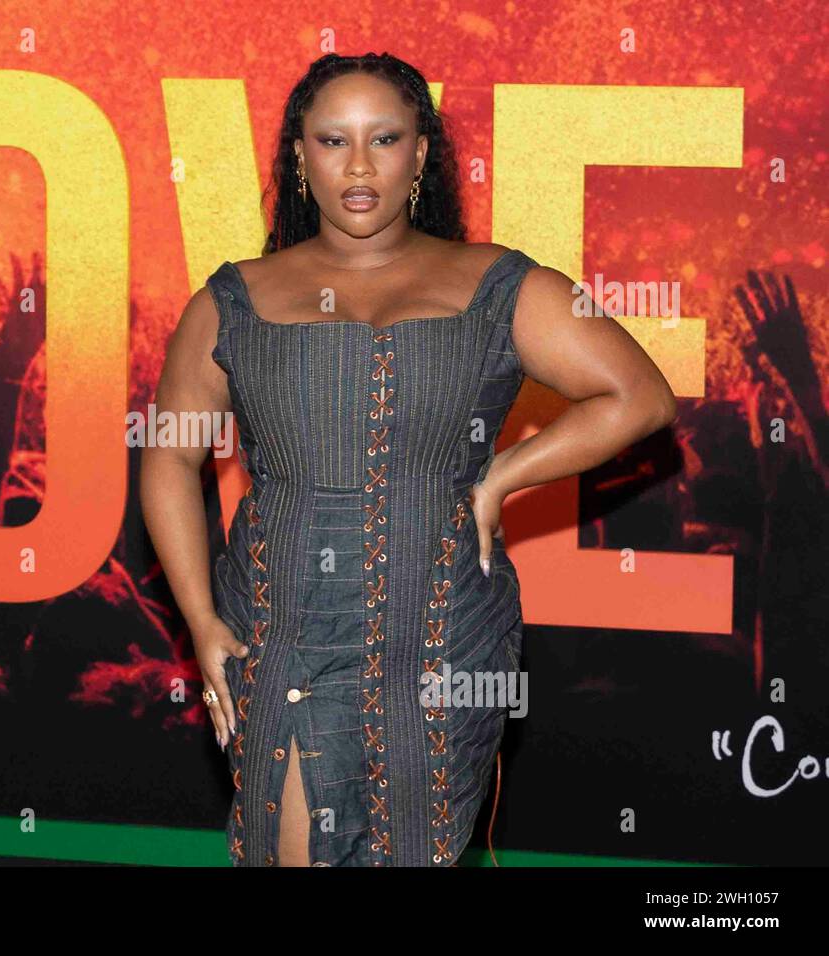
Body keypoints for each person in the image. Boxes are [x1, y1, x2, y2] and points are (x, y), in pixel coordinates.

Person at [140, 52, 676, 867]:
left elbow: (639, 395)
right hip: (285, 630)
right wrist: (202, 619)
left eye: (385, 139)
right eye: (331, 141)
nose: (359, 166)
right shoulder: (233, 300)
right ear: (298, 155)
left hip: (441, 636)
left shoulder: (495, 283)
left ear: (421, 154)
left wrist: (503, 475)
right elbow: (170, 462)